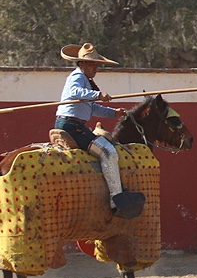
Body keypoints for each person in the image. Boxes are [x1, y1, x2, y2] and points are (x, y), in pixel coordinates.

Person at [55, 43, 142, 218]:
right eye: (92, 64)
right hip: (72, 126)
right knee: (108, 152)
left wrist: (114, 112)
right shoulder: (77, 77)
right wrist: (98, 94)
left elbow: (93, 109)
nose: (96, 68)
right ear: (82, 64)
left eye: (97, 65)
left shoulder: (85, 81)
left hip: (71, 124)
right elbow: (75, 92)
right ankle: (116, 198)